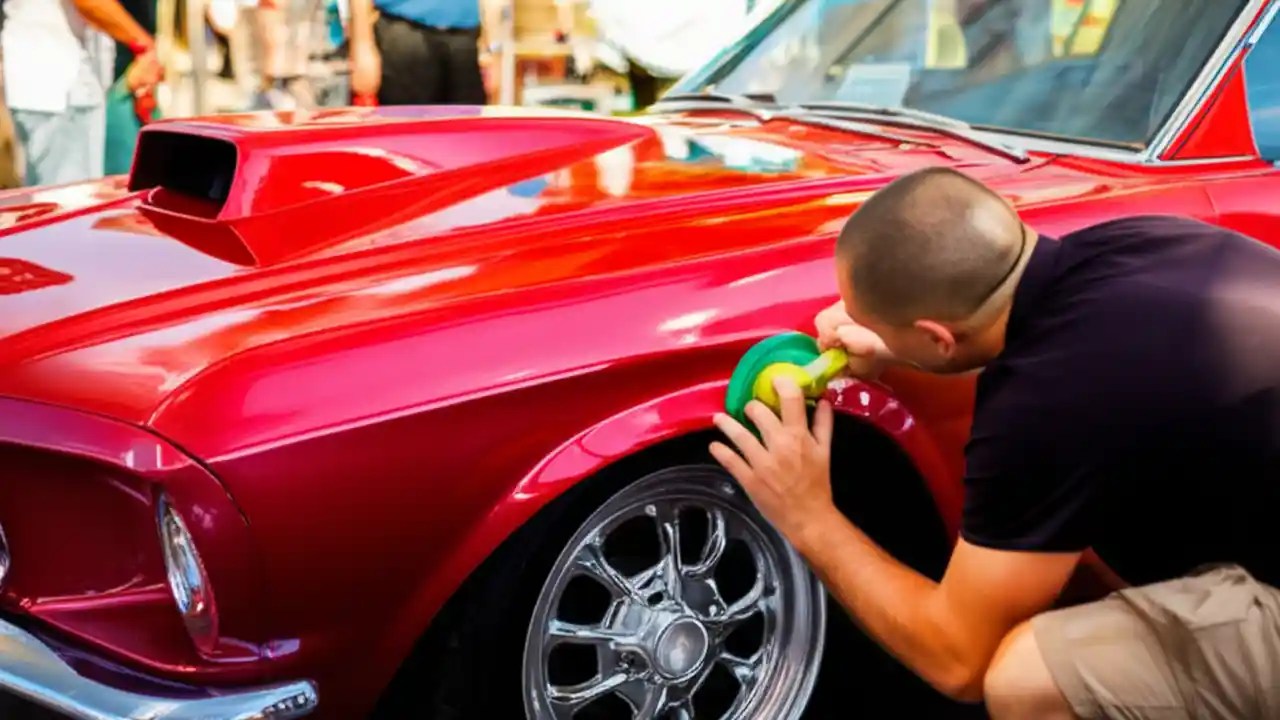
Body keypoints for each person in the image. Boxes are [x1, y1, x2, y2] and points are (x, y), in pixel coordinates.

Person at [709, 166, 1280, 719]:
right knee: (1062, 558)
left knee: (1026, 679)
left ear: (938, 335)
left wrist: (808, 515)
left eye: (868, 323)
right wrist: (897, 348)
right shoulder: (1138, 238)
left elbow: (958, 660)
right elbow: (1067, 366)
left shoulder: (1044, 404)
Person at [1, 0, 162, 186]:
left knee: (48, 199)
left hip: (44, 82)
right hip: (60, 85)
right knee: (70, 201)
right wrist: (144, 45)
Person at [347, 0, 489, 105]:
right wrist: (362, 44)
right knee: (405, 135)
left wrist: (493, 47)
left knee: (466, 137)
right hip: (405, 32)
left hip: (465, 33)